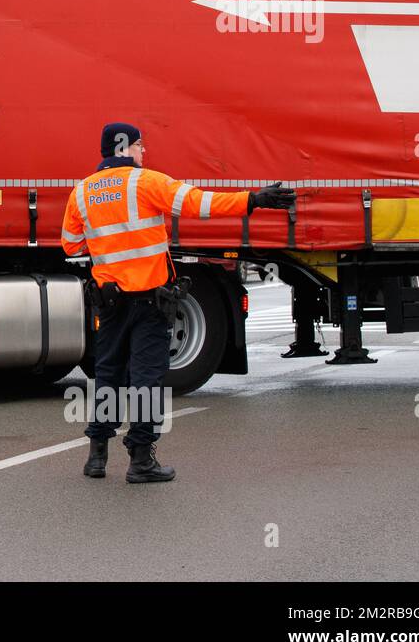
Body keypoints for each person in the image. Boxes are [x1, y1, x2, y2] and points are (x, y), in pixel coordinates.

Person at [62, 122, 295, 483]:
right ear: (124, 148)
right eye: (140, 145)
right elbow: (201, 204)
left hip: (109, 303)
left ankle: (97, 456)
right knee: (146, 379)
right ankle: (140, 460)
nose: (144, 152)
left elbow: (71, 245)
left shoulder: (81, 192)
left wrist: (110, 252)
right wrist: (253, 199)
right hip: (149, 303)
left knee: (108, 374)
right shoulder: (147, 182)